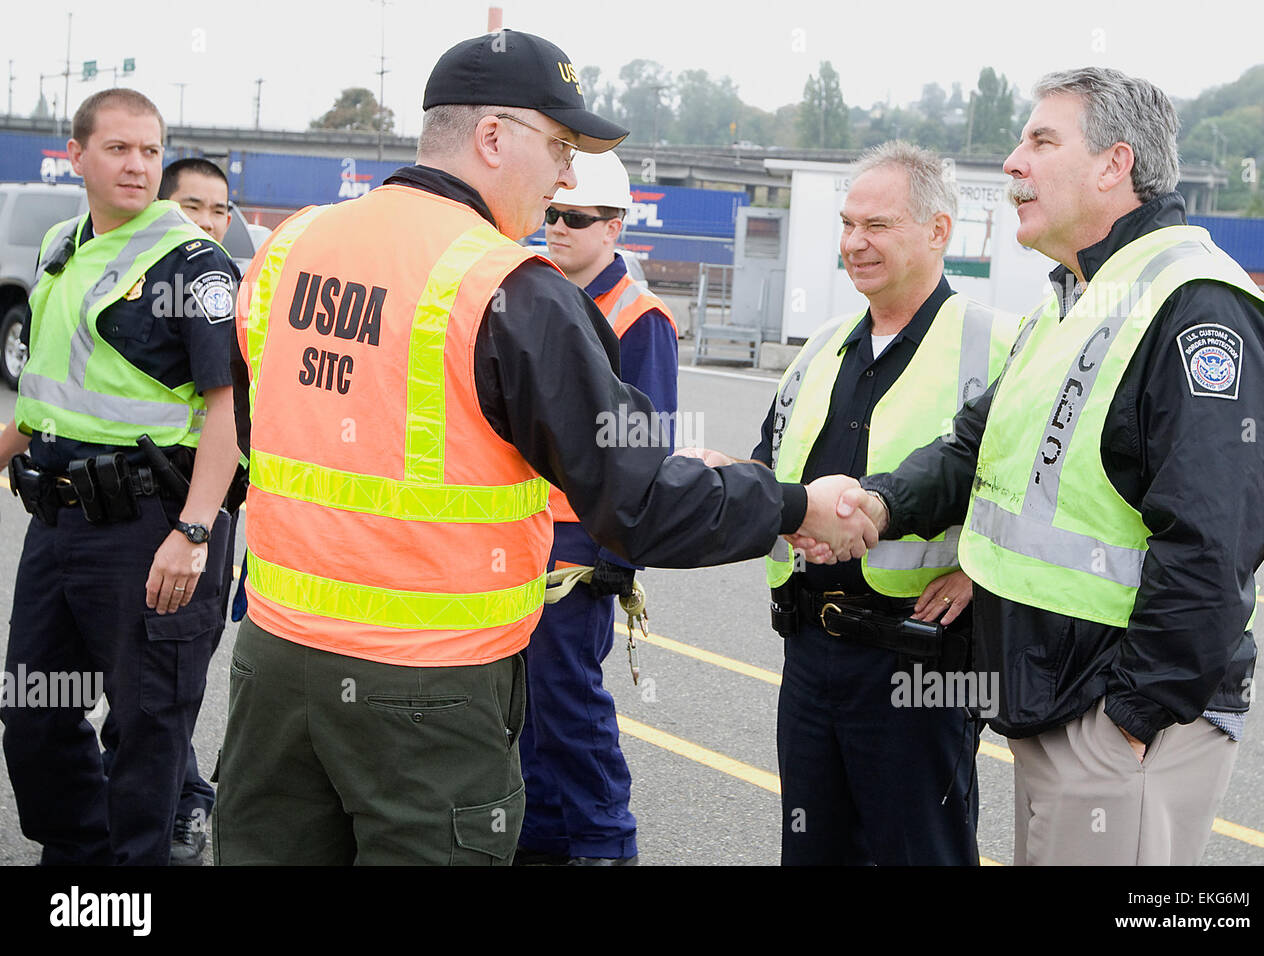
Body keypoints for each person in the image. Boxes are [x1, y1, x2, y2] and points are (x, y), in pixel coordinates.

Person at [213, 29, 874, 866]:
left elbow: (260, 429)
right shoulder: (506, 286)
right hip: (426, 684)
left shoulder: (288, 249)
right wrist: (793, 504)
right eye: (560, 146)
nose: (567, 176)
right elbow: (638, 501)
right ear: (492, 137)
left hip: (276, 660)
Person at [847, 68, 1264, 865]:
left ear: (1114, 165)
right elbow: (971, 449)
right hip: (1059, 707)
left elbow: (1213, 545)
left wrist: (1132, 719)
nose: (1013, 163)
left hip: (1119, 724)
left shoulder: (1195, 304)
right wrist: (874, 505)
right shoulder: (1077, 300)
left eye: (1041, 140)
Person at [681, 142, 1017, 865]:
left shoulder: (1000, 346)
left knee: (919, 852)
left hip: (921, 659)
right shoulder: (823, 347)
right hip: (810, 651)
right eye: (847, 224)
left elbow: (1032, 493)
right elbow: (777, 467)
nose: (854, 243)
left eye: (878, 225)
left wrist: (978, 574)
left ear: (937, 231)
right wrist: (730, 473)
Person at [0, 89, 240, 866]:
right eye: (119, 149)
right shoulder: (62, 248)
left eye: (149, 150)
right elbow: (45, 400)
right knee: (35, 715)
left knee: (145, 732)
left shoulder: (194, 263)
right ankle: (79, 860)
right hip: (59, 521)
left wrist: (194, 533)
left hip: (152, 527)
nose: (138, 165)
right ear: (77, 156)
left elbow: (226, 423)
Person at [515, 150, 678, 866]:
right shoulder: (535, 294)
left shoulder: (639, 318)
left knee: (569, 702)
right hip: (519, 530)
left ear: (614, 228)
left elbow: (646, 452)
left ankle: (605, 844)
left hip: (579, 544)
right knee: (523, 706)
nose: (556, 227)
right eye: (551, 214)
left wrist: (617, 558)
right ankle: (541, 841)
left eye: (575, 220)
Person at [98, 155, 239, 865]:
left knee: (169, 678)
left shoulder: (221, 287)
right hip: (130, 513)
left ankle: (183, 803)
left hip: (202, 511)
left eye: (221, 211)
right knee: (138, 680)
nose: (209, 223)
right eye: (194, 206)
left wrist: (201, 524)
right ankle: (141, 794)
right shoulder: (131, 275)